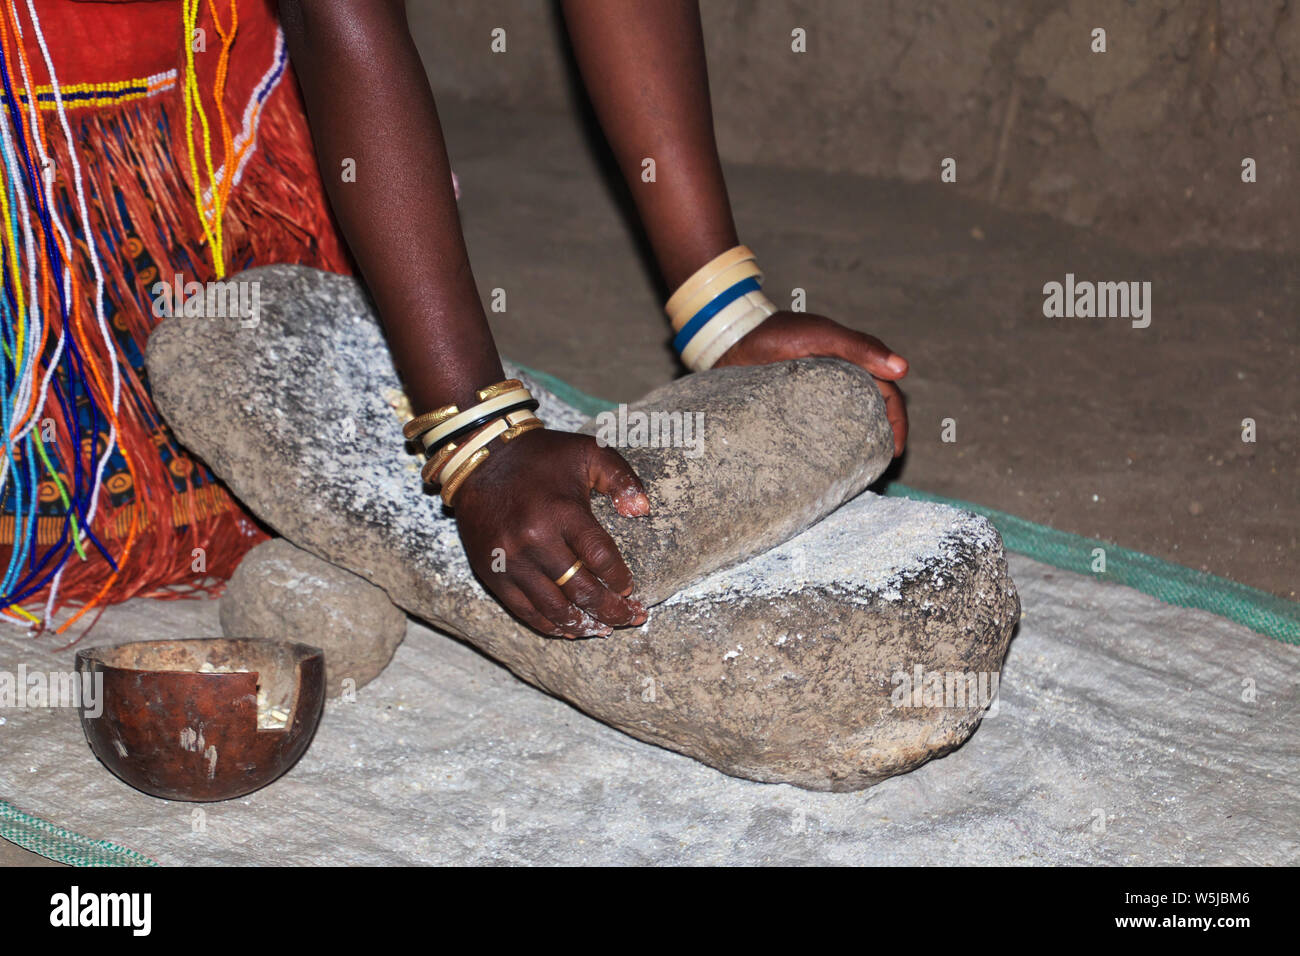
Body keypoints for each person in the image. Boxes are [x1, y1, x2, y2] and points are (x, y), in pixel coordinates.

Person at [0, 0, 907, 638]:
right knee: (82, 504)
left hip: (216, 72)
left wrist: (721, 309)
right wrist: (478, 435)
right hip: (37, 117)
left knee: (281, 406)